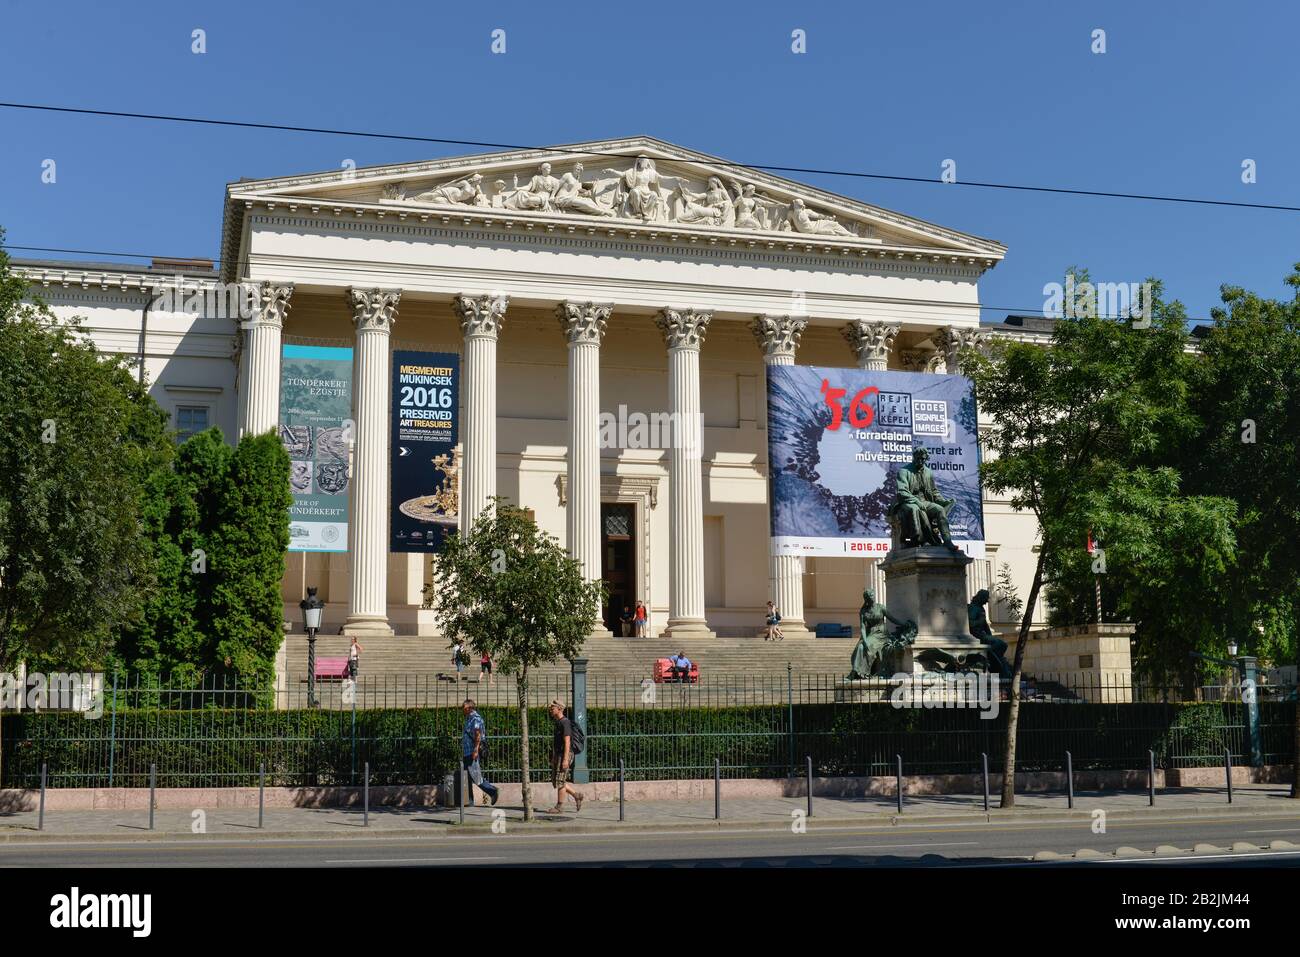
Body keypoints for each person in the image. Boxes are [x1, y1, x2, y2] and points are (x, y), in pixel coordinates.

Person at [546, 699, 584, 814]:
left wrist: (566, 759)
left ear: (560, 709)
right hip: (559, 754)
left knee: (560, 781)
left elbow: (567, 741)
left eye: (553, 708)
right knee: (557, 780)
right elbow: (556, 742)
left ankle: (559, 807)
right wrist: (554, 756)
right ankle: (576, 795)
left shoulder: (565, 722)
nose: (551, 710)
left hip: (565, 754)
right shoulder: (558, 722)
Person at [461, 698, 499, 807]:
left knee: (476, 777)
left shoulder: (475, 719)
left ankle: (492, 791)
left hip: (472, 752)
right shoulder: (469, 718)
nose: (462, 710)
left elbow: (478, 735)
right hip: (467, 752)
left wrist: (475, 750)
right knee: (466, 777)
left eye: (463, 708)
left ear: (469, 708)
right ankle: (469, 801)